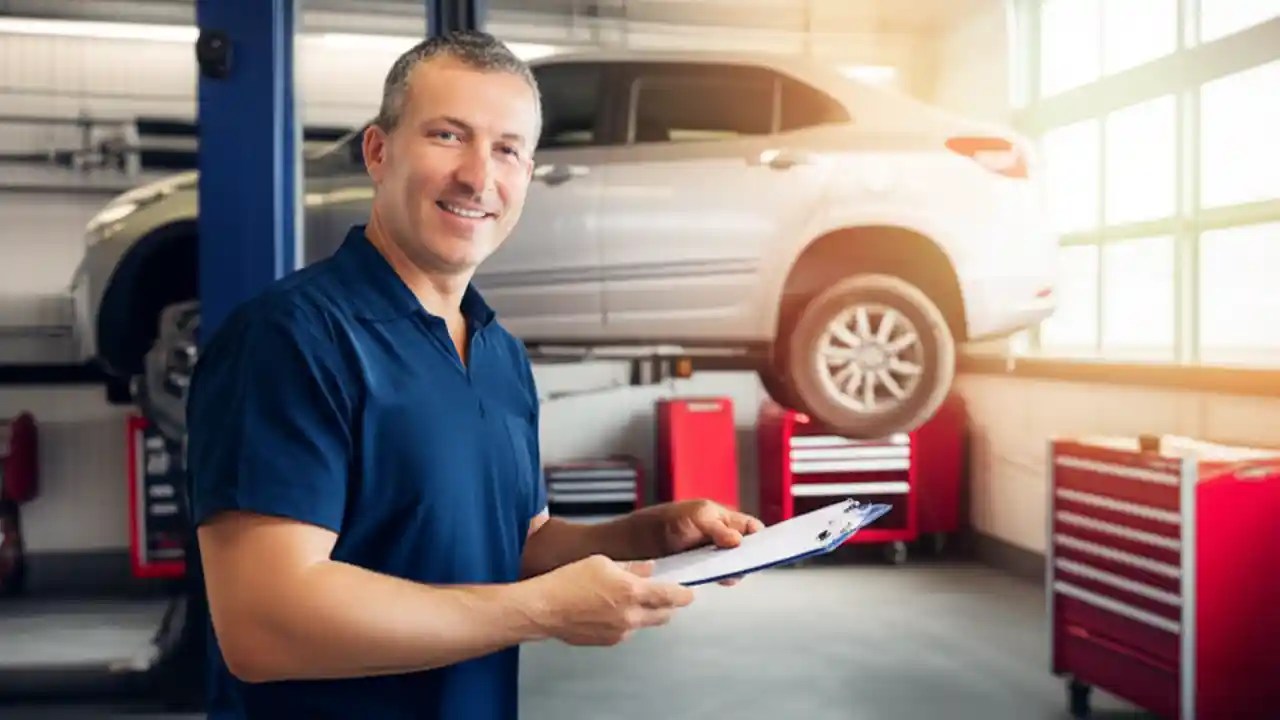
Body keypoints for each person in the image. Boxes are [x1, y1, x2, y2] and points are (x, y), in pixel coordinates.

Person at [185, 29, 764, 720]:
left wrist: (644, 536)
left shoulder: (498, 356)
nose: (479, 176)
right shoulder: (290, 339)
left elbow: (512, 545)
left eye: (508, 150)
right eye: (448, 136)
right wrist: (540, 611)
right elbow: (264, 627)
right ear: (379, 151)